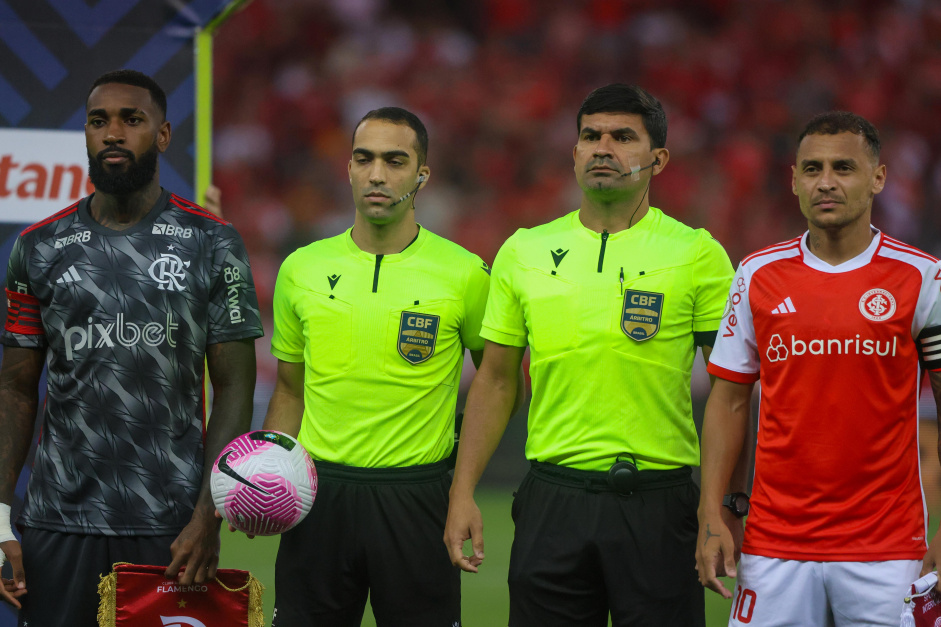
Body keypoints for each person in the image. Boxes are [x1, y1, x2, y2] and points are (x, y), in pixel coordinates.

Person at [444, 83, 736, 626]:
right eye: (590, 136)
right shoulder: (523, 251)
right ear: (574, 152)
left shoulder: (698, 253)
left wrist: (719, 506)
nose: (603, 147)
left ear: (658, 159)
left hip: (658, 500)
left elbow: (731, 390)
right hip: (553, 497)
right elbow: (497, 381)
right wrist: (463, 493)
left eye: (623, 137)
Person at [0, 69, 263, 626]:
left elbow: (237, 386)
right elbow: (16, 388)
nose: (113, 133)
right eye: (99, 122)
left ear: (163, 135)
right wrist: (1, 517)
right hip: (57, 523)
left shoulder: (213, 242)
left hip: (170, 527)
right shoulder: (38, 248)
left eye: (131, 120)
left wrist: (208, 516)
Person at [262, 106, 514, 627]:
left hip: (418, 499)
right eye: (364, 158)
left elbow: (499, 380)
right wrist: (266, 476)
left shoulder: (466, 273)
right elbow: (289, 391)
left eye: (395, 161)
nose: (377, 173)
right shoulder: (301, 268)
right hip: (319, 497)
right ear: (349, 169)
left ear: (422, 175)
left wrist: (463, 490)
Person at [697, 111, 941, 626]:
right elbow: (728, 401)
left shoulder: (922, 278)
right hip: (773, 546)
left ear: (878, 178)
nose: (825, 182)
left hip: (888, 550)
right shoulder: (756, 274)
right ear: (793, 180)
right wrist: (715, 514)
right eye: (811, 169)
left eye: (843, 168)